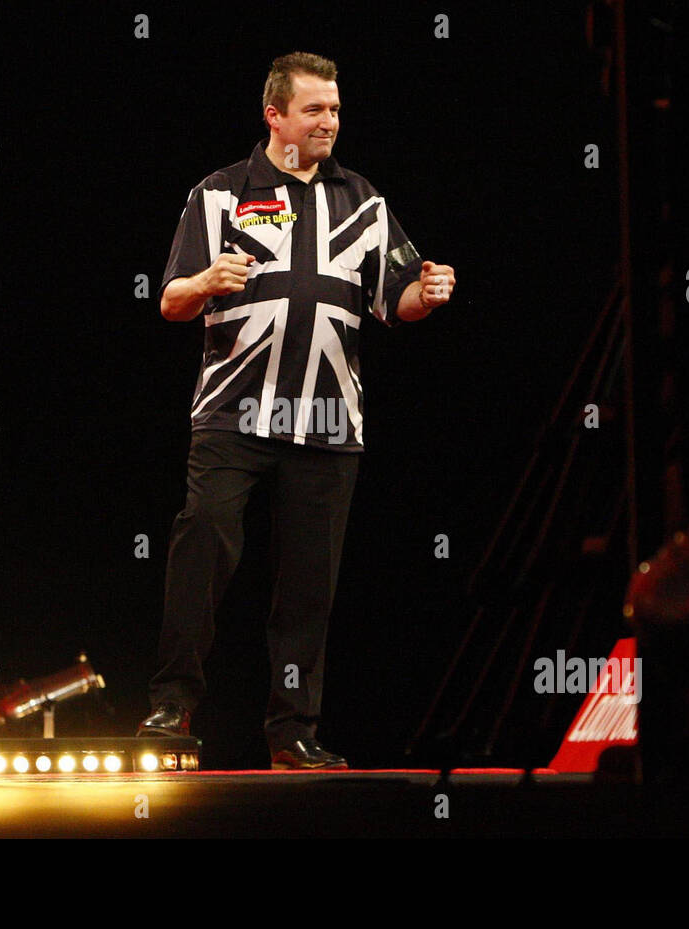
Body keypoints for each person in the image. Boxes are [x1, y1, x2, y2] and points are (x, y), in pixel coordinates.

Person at [138, 51, 456, 769]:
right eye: (314, 110)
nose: (329, 122)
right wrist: (205, 278)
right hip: (233, 413)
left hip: (328, 419)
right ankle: (171, 703)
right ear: (274, 115)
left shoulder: (362, 199)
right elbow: (169, 301)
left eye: (335, 110)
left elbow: (395, 300)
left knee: (309, 586)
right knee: (204, 541)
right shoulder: (218, 194)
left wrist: (427, 294)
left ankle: (293, 731)